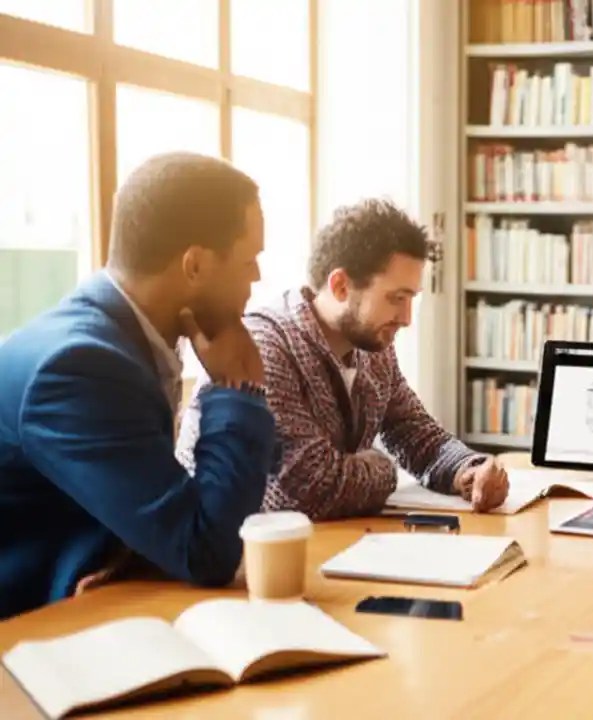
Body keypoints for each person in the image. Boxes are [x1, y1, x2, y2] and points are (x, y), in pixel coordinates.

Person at [0, 152, 276, 619]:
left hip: (85, 603)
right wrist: (237, 388)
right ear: (194, 265)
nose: (258, 277)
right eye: (250, 260)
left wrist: (128, 549)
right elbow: (207, 551)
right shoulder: (81, 366)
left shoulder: (119, 339)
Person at [178, 199, 509, 520]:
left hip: (316, 546)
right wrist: (384, 467)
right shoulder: (264, 348)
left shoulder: (373, 345)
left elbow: (415, 433)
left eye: (411, 299)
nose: (407, 318)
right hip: (218, 559)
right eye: (396, 298)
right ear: (339, 286)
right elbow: (311, 490)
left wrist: (470, 469)